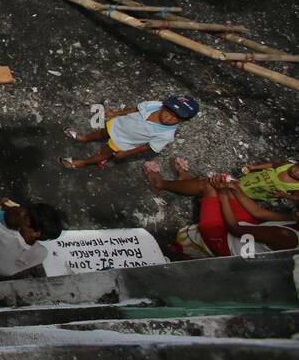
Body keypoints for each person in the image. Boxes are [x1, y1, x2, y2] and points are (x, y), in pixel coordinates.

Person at [147, 161, 299, 258]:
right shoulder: (293, 220)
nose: (296, 211)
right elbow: (259, 213)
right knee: (225, 183)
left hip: (226, 243)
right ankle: (187, 181)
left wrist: (223, 194)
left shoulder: (286, 235)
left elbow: (235, 229)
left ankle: (161, 184)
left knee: (211, 187)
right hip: (248, 230)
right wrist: (236, 189)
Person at [61, 95, 199, 169]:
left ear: (182, 121)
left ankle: (84, 162)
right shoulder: (154, 105)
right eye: (168, 112)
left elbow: (147, 147)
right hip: (117, 124)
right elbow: (134, 109)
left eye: (175, 118)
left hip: (123, 142)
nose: (168, 118)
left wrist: (126, 153)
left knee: (103, 153)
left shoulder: (166, 135)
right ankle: (84, 138)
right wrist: (115, 113)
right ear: (163, 106)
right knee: (100, 133)